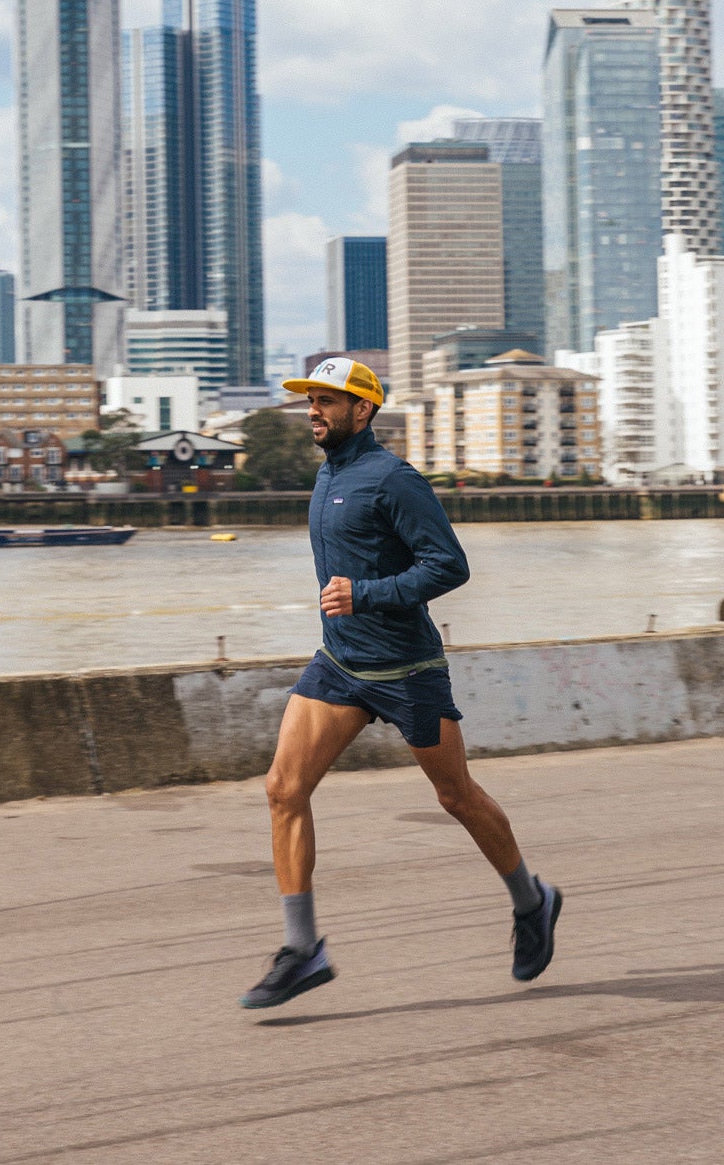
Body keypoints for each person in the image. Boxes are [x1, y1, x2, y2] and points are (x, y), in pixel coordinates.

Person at [239, 357, 562, 1009]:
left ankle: (533, 902)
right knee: (283, 789)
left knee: (456, 796)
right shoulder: (329, 476)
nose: (313, 411)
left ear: (363, 410)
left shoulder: (393, 479)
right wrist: (350, 611)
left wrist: (367, 594)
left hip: (407, 669)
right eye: (311, 400)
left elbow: (449, 565)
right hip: (340, 665)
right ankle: (302, 950)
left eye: (327, 401)